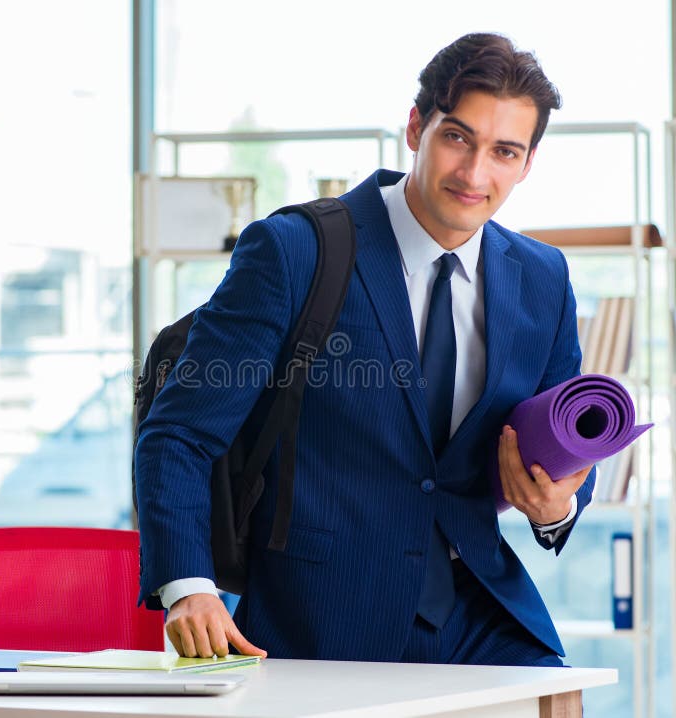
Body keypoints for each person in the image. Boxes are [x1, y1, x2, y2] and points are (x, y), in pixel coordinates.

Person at [135, 32, 595, 667]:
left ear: (528, 162)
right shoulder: (296, 251)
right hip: (320, 615)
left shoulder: (542, 278)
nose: (473, 174)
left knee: (557, 694)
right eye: (456, 137)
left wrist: (558, 506)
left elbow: (562, 440)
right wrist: (189, 587)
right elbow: (181, 432)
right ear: (416, 127)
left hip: (480, 614)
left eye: (503, 151)